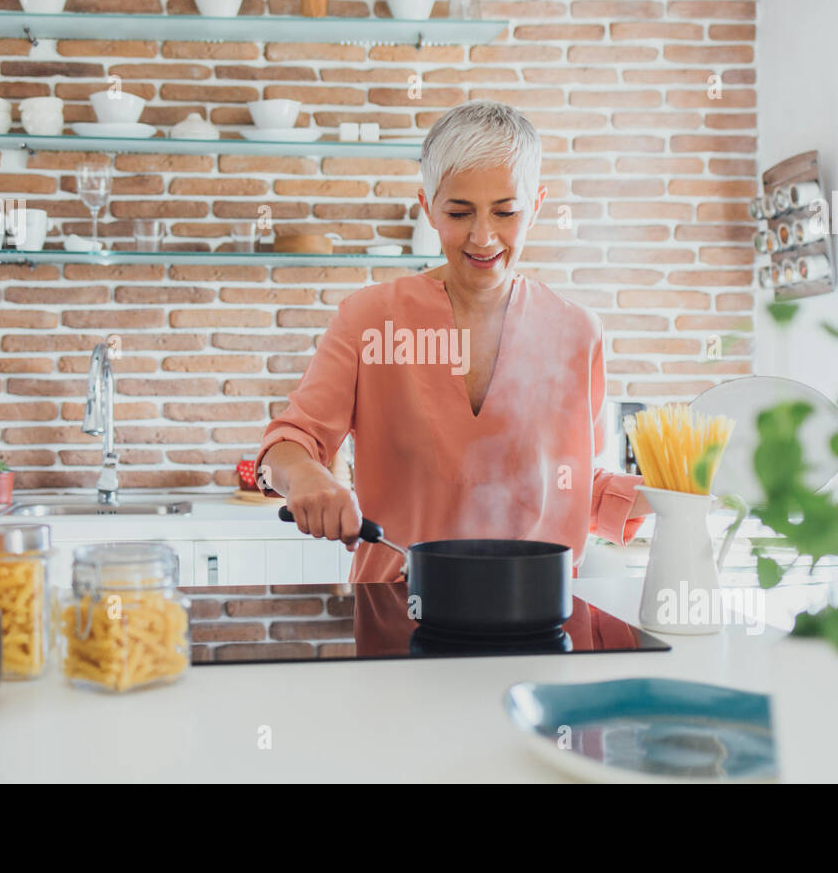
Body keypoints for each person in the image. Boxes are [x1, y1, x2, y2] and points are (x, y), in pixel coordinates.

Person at [256, 100, 650, 583]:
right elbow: (289, 443)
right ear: (427, 208)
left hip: (538, 617)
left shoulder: (577, 332)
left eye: (506, 212)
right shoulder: (369, 318)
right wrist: (306, 477)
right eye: (459, 212)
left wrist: (663, 495)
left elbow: (569, 486)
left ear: (538, 205)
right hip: (398, 617)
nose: (483, 237)